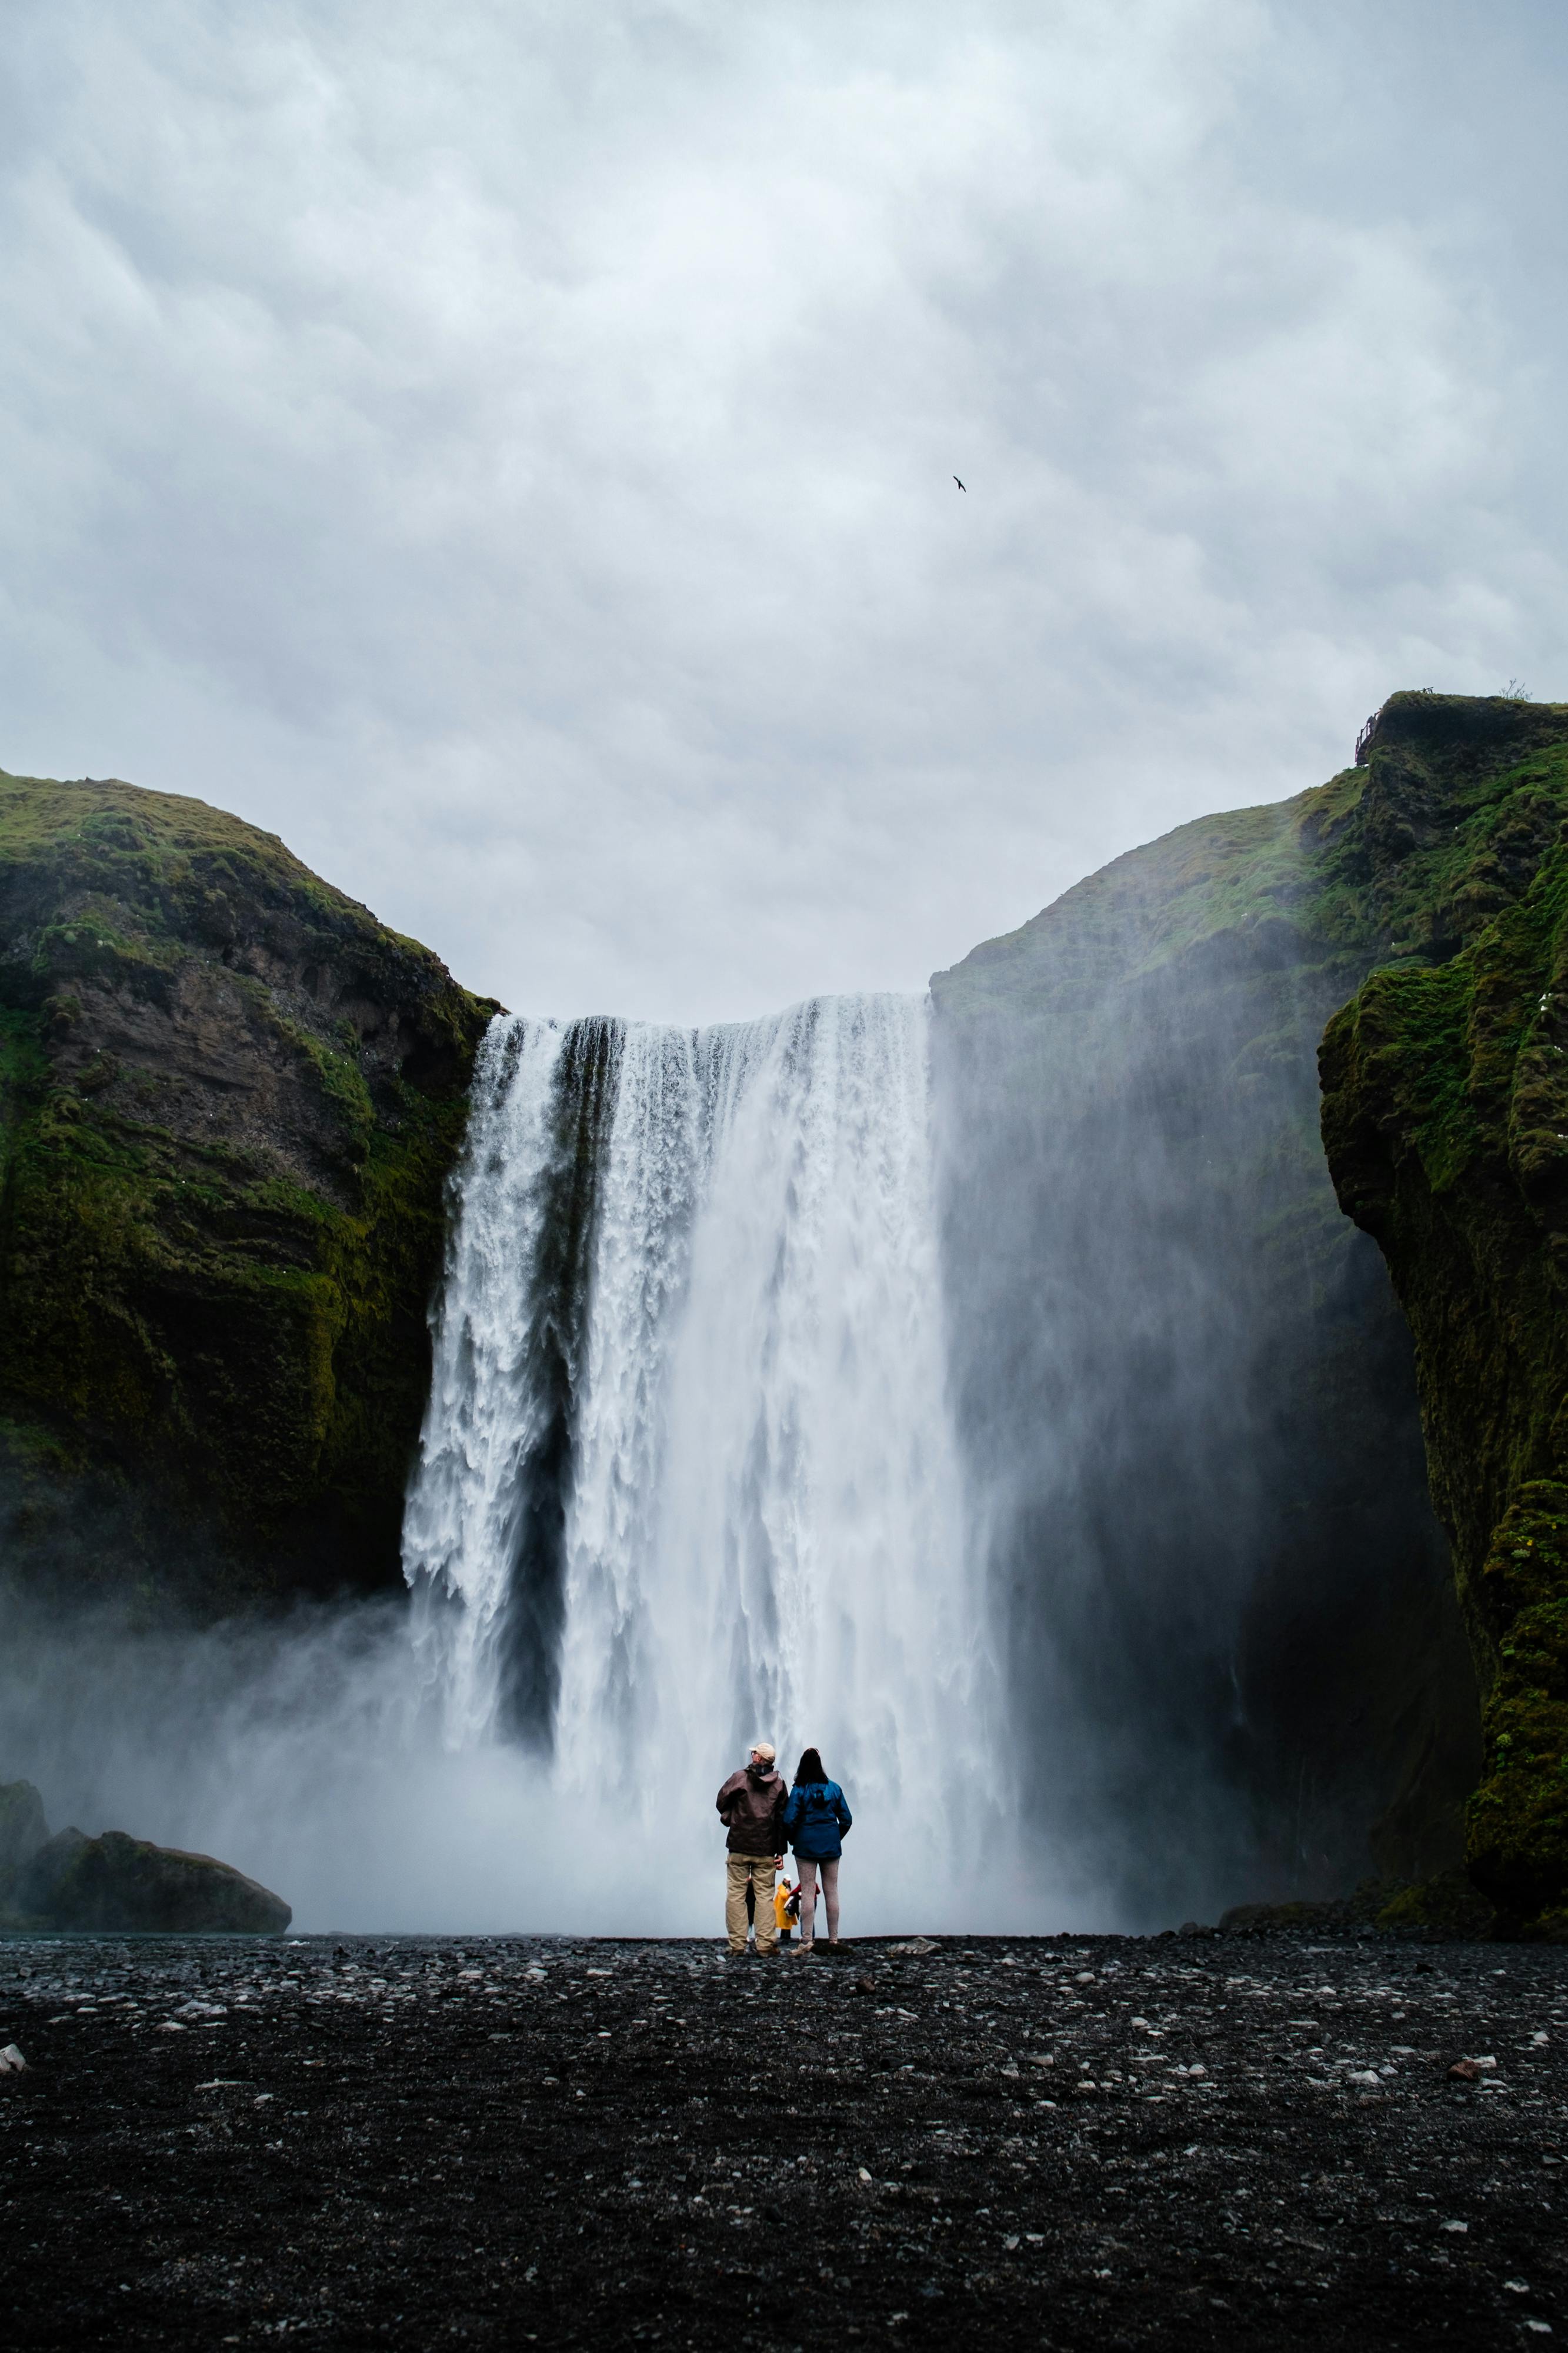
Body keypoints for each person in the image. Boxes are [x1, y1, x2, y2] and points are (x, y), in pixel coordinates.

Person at [715, 1742, 787, 1956]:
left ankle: (737, 1945)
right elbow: (783, 1820)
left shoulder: (740, 1778)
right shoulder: (780, 1785)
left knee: (736, 1895)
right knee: (765, 1896)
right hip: (766, 1848)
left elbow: (721, 1801)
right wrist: (781, 1852)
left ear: (759, 1759)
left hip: (738, 1845)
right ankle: (765, 1945)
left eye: (755, 1752)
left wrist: (733, 1813)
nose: (752, 1754)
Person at [781, 1747, 852, 1954]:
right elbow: (847, 1819)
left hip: (805, 1847)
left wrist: (795, 1840)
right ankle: (834, 1940)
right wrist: (835, 1838)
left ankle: (806, 1940)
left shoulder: (799, 1790)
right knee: (832, 1892)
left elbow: (789, 1820)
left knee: (808, 1892)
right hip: (830, 1847)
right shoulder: (835, 1789)